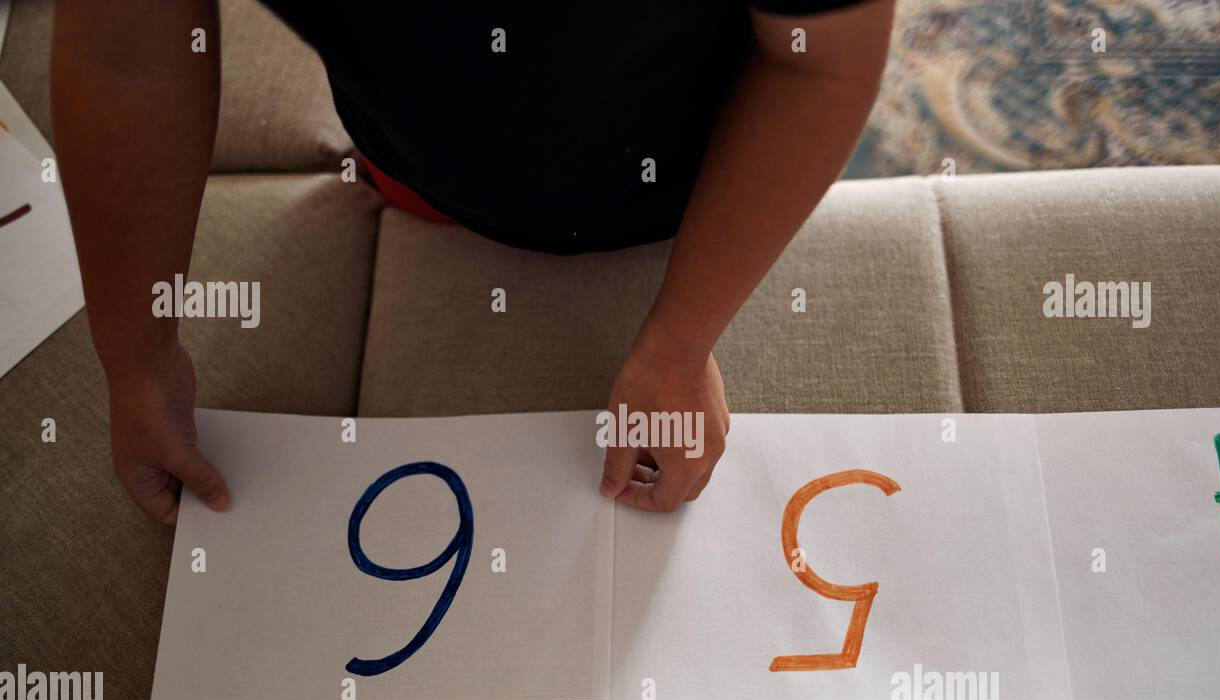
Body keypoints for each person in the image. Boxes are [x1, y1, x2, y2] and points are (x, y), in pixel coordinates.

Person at [51, 0, 894, 526]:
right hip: (408, 158)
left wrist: (679, 342)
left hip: (693, 178)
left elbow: (819, 59)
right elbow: (123, 42)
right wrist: (135, 357)